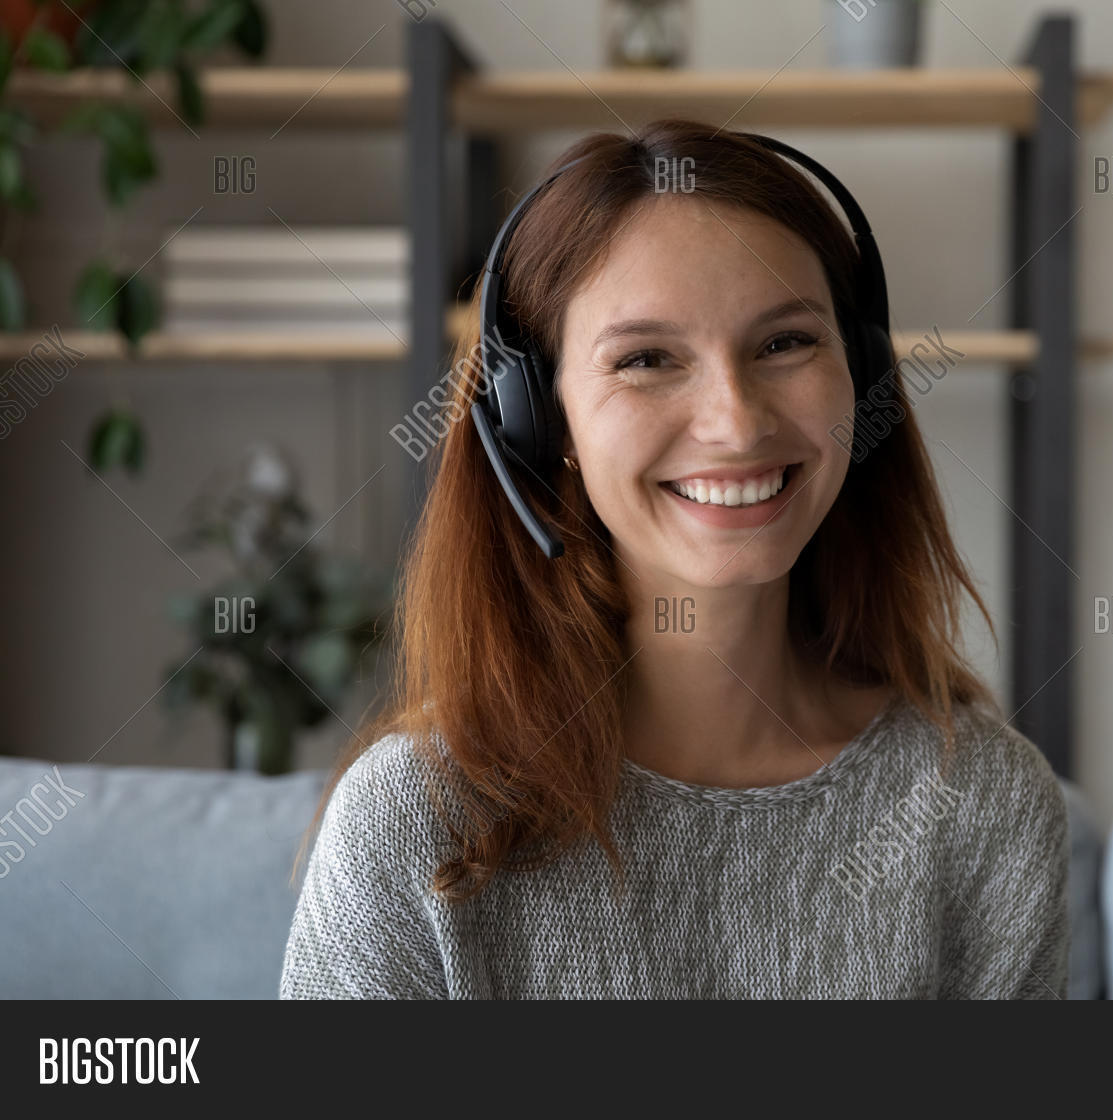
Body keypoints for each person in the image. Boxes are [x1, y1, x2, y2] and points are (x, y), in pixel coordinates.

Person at [279, 118, 1069, 999]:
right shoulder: (413, 825)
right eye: (647, 359)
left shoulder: (983, 805)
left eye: (785, 343)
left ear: (865, 373)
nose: (735, 423)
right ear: (539, 421)